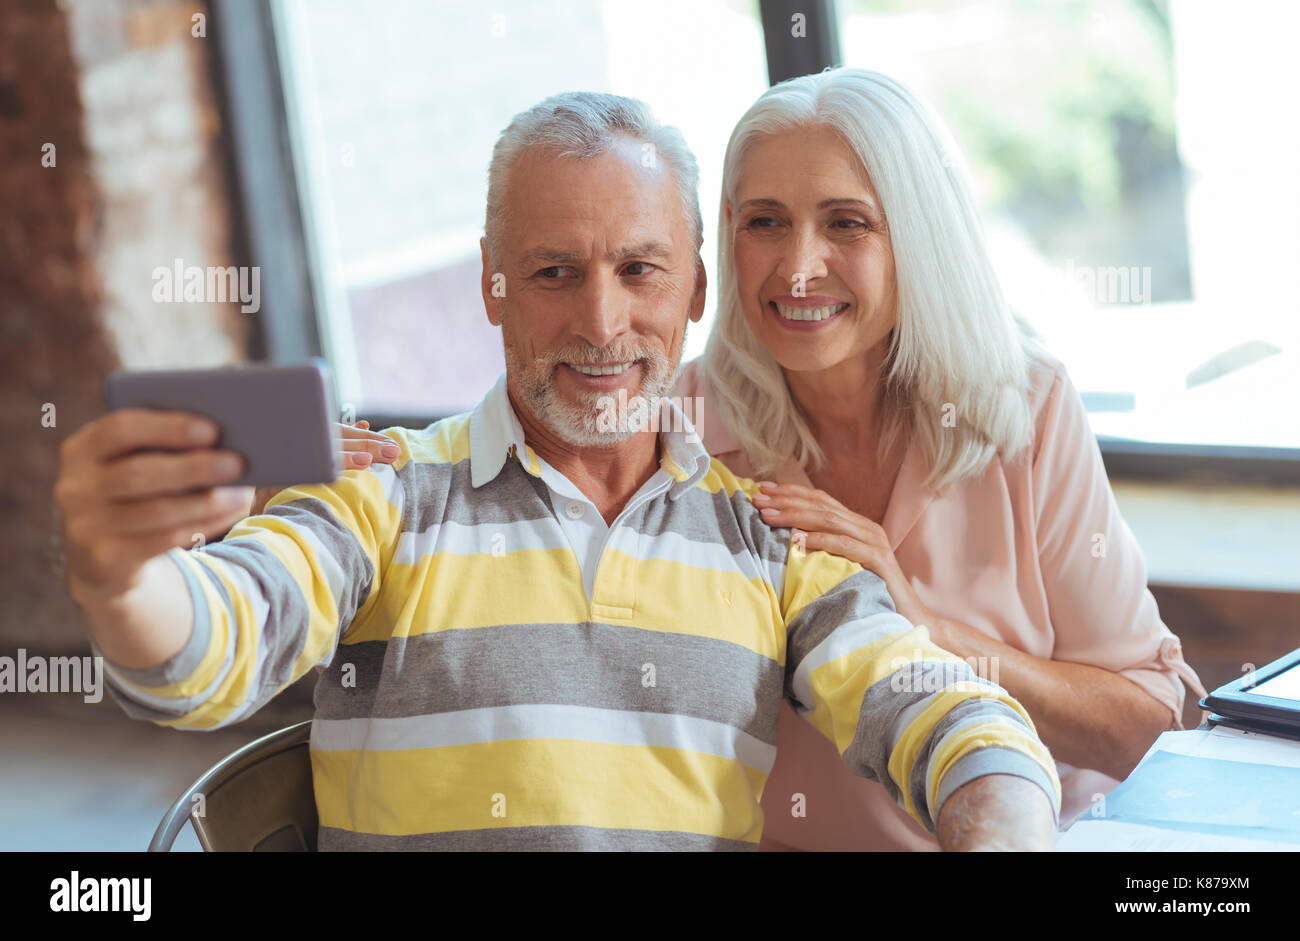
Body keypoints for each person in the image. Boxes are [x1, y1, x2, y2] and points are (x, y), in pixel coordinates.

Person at [55, 91, 1062, 851]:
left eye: (638, 269)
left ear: (697, 289)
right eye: (552, 273)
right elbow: (207, 648)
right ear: (491, 284)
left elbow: (955, 717)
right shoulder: (376, 491)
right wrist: (123, 576)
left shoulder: (773, 536)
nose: (599, 322)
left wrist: (998, 822)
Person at [672, 68, 1208, 850]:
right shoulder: (681, 427)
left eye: (846, 223)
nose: (796, 267)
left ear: (915, 232)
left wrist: (929, 629)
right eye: (765, 222)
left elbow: (1155, 724)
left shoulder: (1025, 407)